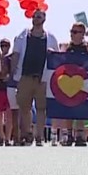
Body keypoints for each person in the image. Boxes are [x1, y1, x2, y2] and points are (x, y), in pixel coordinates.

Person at [10, 9, 60, 146]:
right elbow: (15, 54)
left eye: (39, 16)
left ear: (44, 19)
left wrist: (53, 54)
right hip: (25, 76)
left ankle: (39, 136)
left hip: (43, 78)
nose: (36, 18)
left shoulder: (51, 38)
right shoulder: (23, 35)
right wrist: (13, 74)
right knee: (24, 107)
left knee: (41, 108)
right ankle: (27, 133)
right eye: (34, 16)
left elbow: (57, 58)